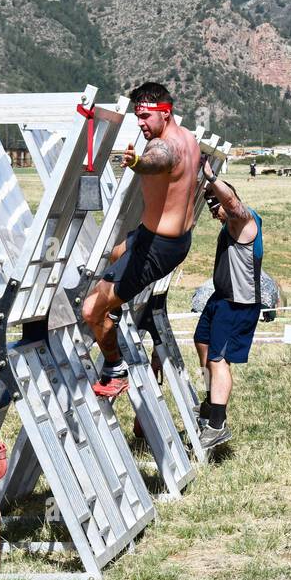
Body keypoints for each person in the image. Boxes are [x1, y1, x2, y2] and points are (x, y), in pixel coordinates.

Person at [84, 83, 201, 398]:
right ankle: (117, 306)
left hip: (158, 248)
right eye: (137, 116)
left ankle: (114, 368)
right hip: (155, 237)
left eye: (146, 116)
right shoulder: (190, 139)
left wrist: (137, 163)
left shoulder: (166, 146)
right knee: (114, 253)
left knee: (90, 310)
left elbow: (158, 160)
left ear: (165, 113)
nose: (140, 123)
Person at [194, 167, 264, 450]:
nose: (213, 208)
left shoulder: (243, 219)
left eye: (215, 202)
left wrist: (211, 179)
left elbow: (232, 203)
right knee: (202, 342)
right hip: (221, 299)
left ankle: (217, 424)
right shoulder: (229, 225)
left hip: (238, 303)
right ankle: (212, 401)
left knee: (218, 359)